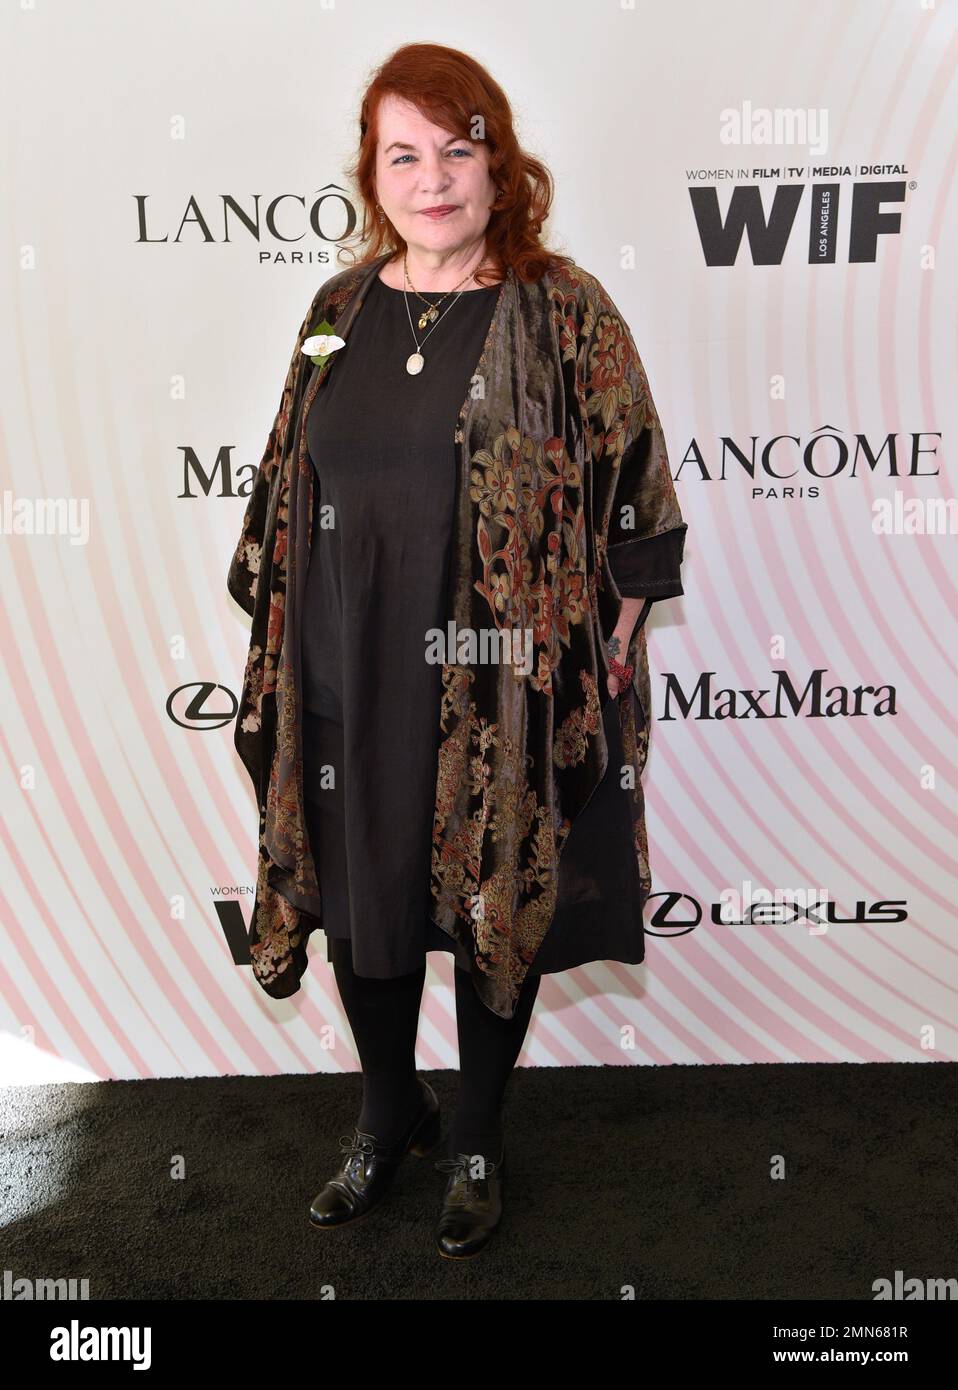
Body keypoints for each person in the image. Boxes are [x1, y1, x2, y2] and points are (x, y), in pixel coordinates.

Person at [227, 42, 688, 1260]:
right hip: (346, 665)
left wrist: (625, 610)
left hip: (496, 681)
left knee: (498, 891)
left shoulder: (562, 303)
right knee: (361, 897)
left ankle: (476, 1132)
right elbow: (283, 478)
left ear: (499, 160)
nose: (434, 178)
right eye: (404, 155)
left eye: (458, 147)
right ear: (372, 176)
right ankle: (391, 1115)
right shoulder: (336, 312)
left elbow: (633, 473)